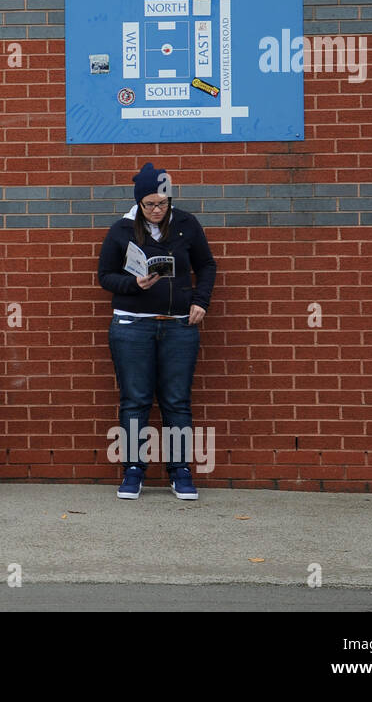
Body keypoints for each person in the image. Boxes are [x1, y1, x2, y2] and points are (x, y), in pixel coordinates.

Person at [97, 162, 217, 501]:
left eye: (162, 203)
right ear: (139, 202)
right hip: (132, 325)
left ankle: (180, 471)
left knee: (176, 401)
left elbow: (206, 264)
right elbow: (105, 276)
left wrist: (200, 301)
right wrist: (134, 283)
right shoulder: (121, 229)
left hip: (179, 325)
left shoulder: (185, 225)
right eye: (149, 204)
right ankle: (133, 470)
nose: (156, 210)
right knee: (135, 399)